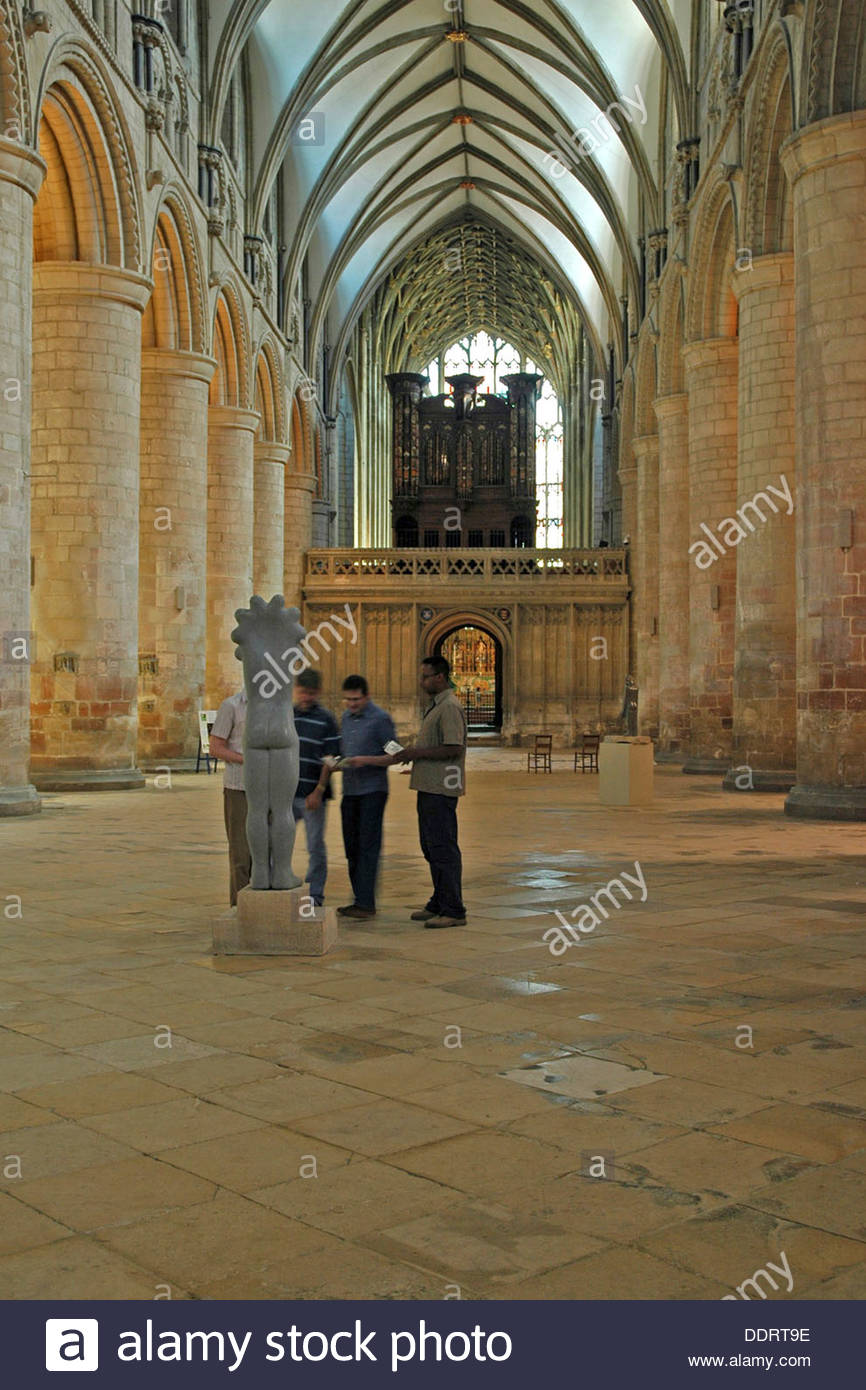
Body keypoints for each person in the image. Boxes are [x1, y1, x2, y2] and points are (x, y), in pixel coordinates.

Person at [398, 656, 468, 929]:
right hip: (429, 785)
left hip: (441, 787)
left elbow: (454, 747)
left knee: (443, 847)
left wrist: (416, 753)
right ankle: (439, 901)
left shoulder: (449, 707)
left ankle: (454, 909)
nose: (422, 681)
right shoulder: (436, 706)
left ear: (440, 677)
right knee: (430, 847)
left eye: (426, 676)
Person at [336, 674, 397, 919]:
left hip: (373, 790)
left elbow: (395, 754)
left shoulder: (380, 719)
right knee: (351, 847)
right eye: (348, 700)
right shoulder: (345, 718)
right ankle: (358, 897)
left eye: (356, 699)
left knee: (368, 846)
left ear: (366, 696)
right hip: (350, 790)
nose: (352, 704)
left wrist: (366, 761)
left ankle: (365, 902)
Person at [292, 669, 340, 906]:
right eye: (303, 692)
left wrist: (319, 790)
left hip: (312, 794)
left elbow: (330, 758)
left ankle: (314, 894)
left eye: (311, 693)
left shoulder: (326, 719)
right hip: (288, 794)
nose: (306, 697)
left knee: (314, 846)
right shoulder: (288, 715)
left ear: (318, 692)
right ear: (296, 689)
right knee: (278, 842)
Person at [209, 688, 250, 907]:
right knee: (241, 852)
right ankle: (240, 907)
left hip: (266, 788)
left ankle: (260, 906)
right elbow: (215, 747)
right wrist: (245, 760)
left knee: (264, 853)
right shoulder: (231, 706)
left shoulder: (273, 706)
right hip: (239, 787)